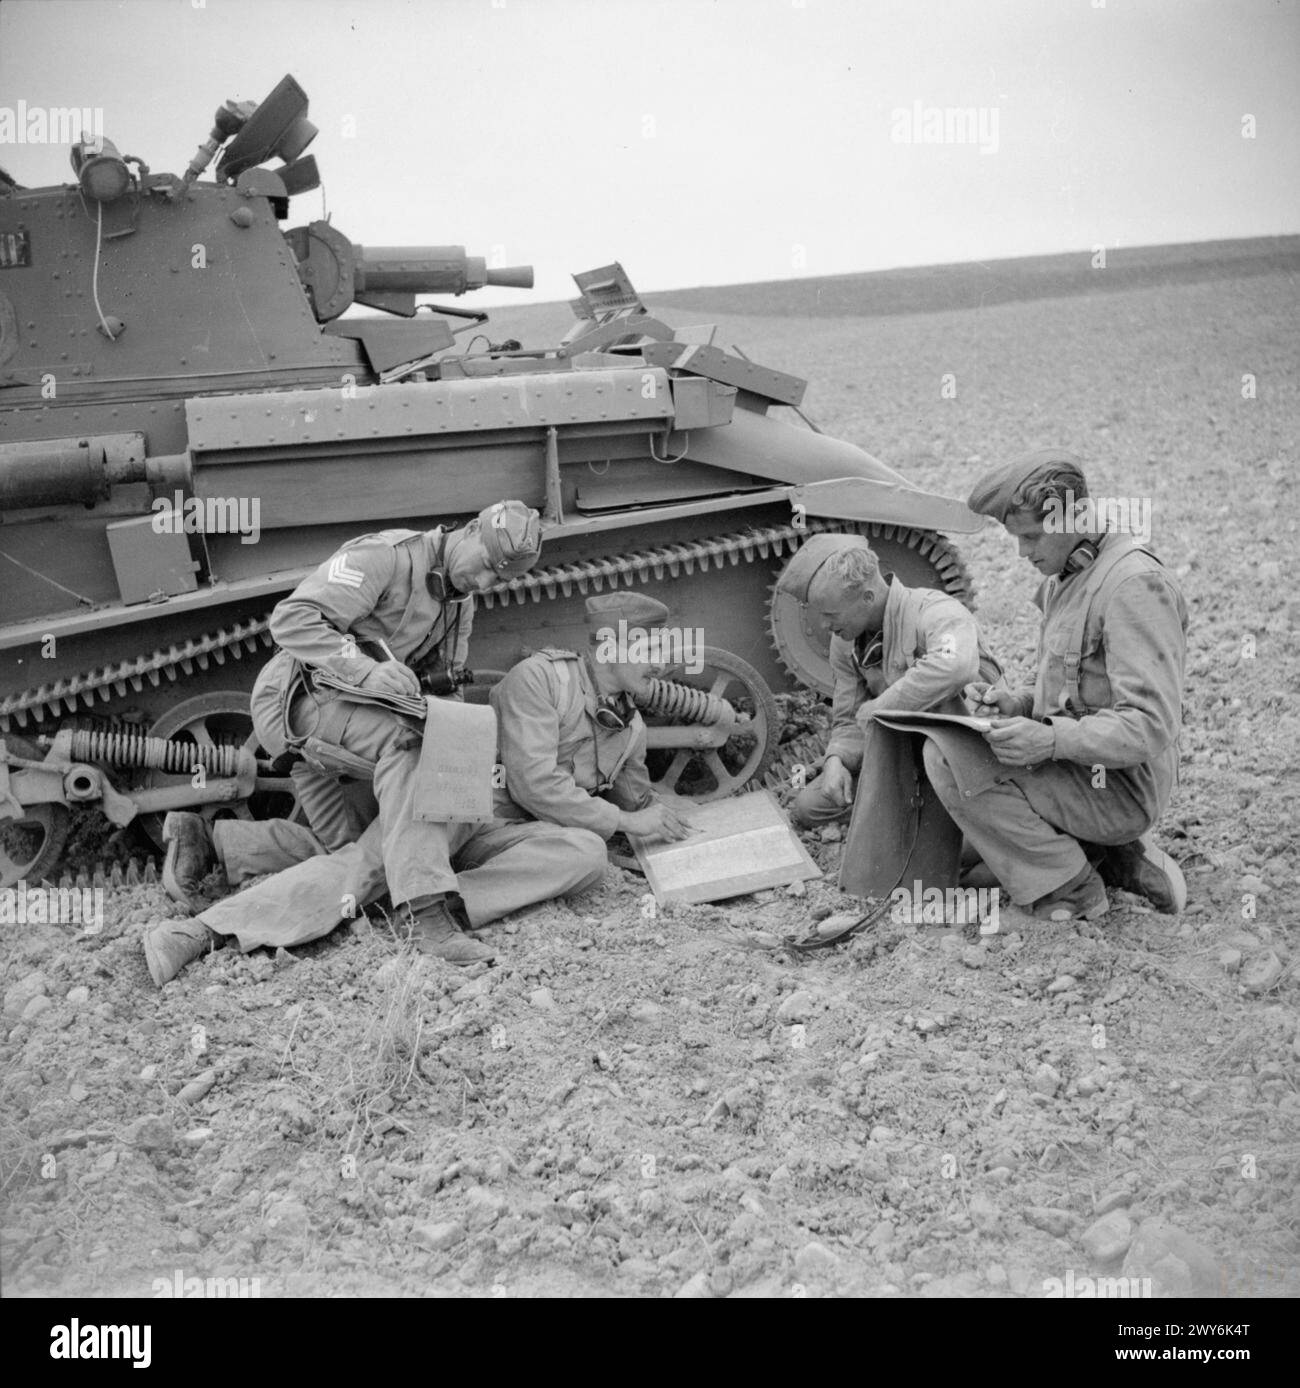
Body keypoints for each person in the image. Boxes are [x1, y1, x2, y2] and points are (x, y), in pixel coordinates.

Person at [142, 591, 692, 986]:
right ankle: (199, 932)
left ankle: (431, 901)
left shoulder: (631, 725)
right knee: (365, 869)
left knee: (586, 853)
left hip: (504, 834)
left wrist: (671, 824)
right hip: (455, 800)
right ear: (607, 648)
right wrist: (625, 821)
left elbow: (641, 800)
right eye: (648, 648)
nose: (662, 662)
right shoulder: (544, 679)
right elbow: (534, 783)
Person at [145, 500, 547, 981]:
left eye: (498, 580)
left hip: (353, 716)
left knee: (371, 848)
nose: (484, 583)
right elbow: (292, 620)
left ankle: (217, 843)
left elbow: (446, 686)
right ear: (471, 530)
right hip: (302, 699)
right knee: (416, 745)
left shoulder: (460, 602)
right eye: (485, 566)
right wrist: (369, 671)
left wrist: (459, 756)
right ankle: (424, 915)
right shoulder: (387, 557)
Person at [923, 449, 1188, 920]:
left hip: (1123, 787)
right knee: (954, 758)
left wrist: (1046, 740)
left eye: (1031, 536)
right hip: (1085, 767)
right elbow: (1068, 684)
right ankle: (1101, 853)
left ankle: (1071, 887)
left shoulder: (1131, 585)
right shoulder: (1067, 572)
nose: (1023, 553)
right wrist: (1018, 702)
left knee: (950, 758)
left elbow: (1150, 725)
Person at [781, 534, 1001, 828]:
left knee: (960, 854)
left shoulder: (935, 611)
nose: (824, 625)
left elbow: (954, 664)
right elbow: (848, 717)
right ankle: (926, 811)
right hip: (905, 756)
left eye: (830, 614)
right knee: (811, 806)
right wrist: (837, 760)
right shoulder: (844, 642)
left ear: (868, 597)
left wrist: (880, 707)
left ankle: (936, 818)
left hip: (967, 756)